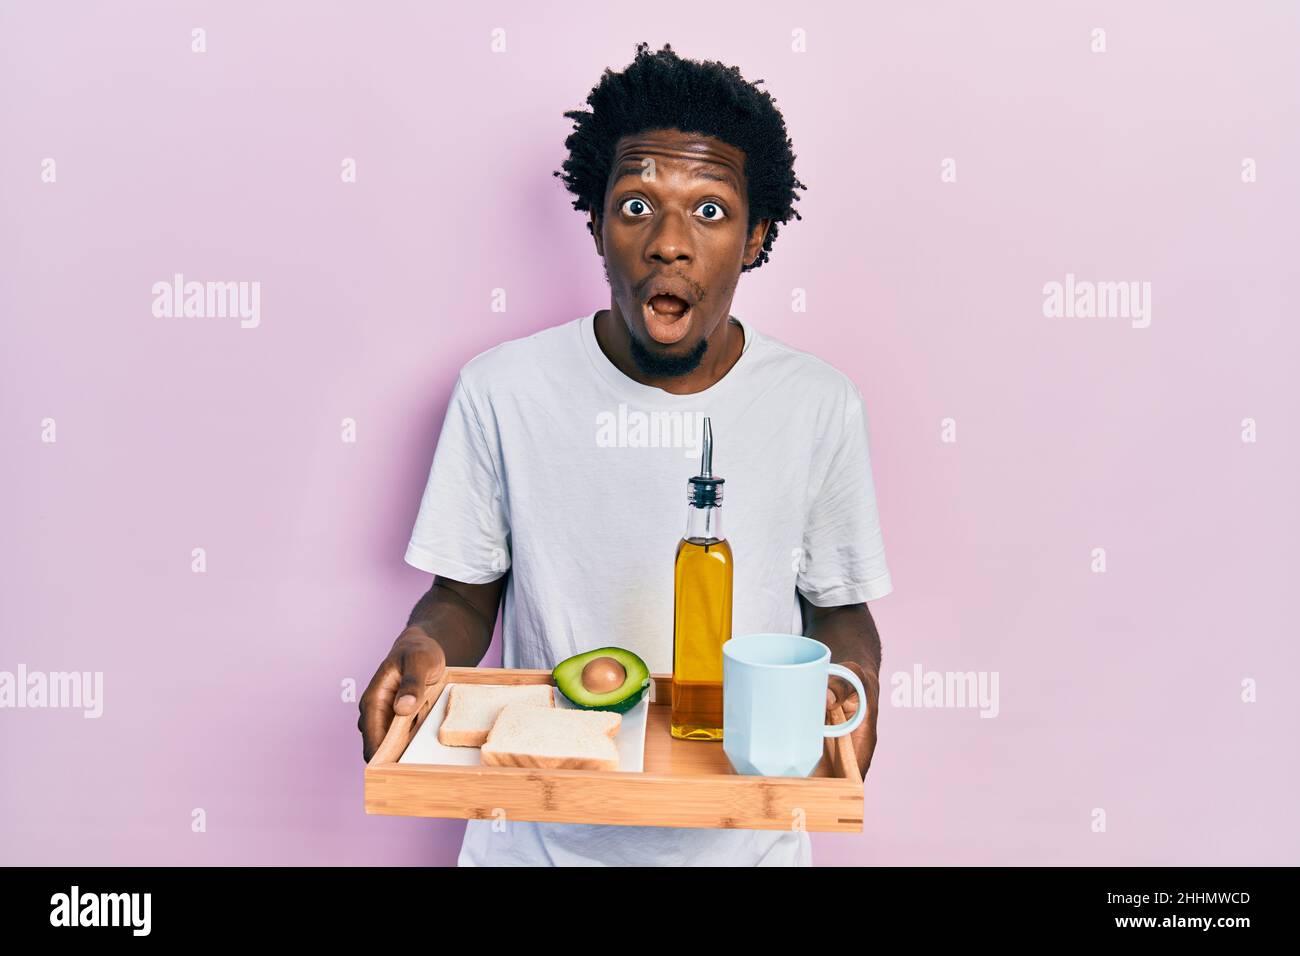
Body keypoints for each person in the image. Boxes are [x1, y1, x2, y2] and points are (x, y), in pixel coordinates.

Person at [358, 41, 892, 866]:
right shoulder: (503, 390)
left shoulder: (818, 404)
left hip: (746, 849)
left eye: (710, 211)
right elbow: (462, 597)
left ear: (756, 238)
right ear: (598, 223)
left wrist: (847, 692)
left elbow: (840, 611)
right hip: (530, 846)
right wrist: (423, 647)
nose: (669, 243)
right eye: (637, 205)